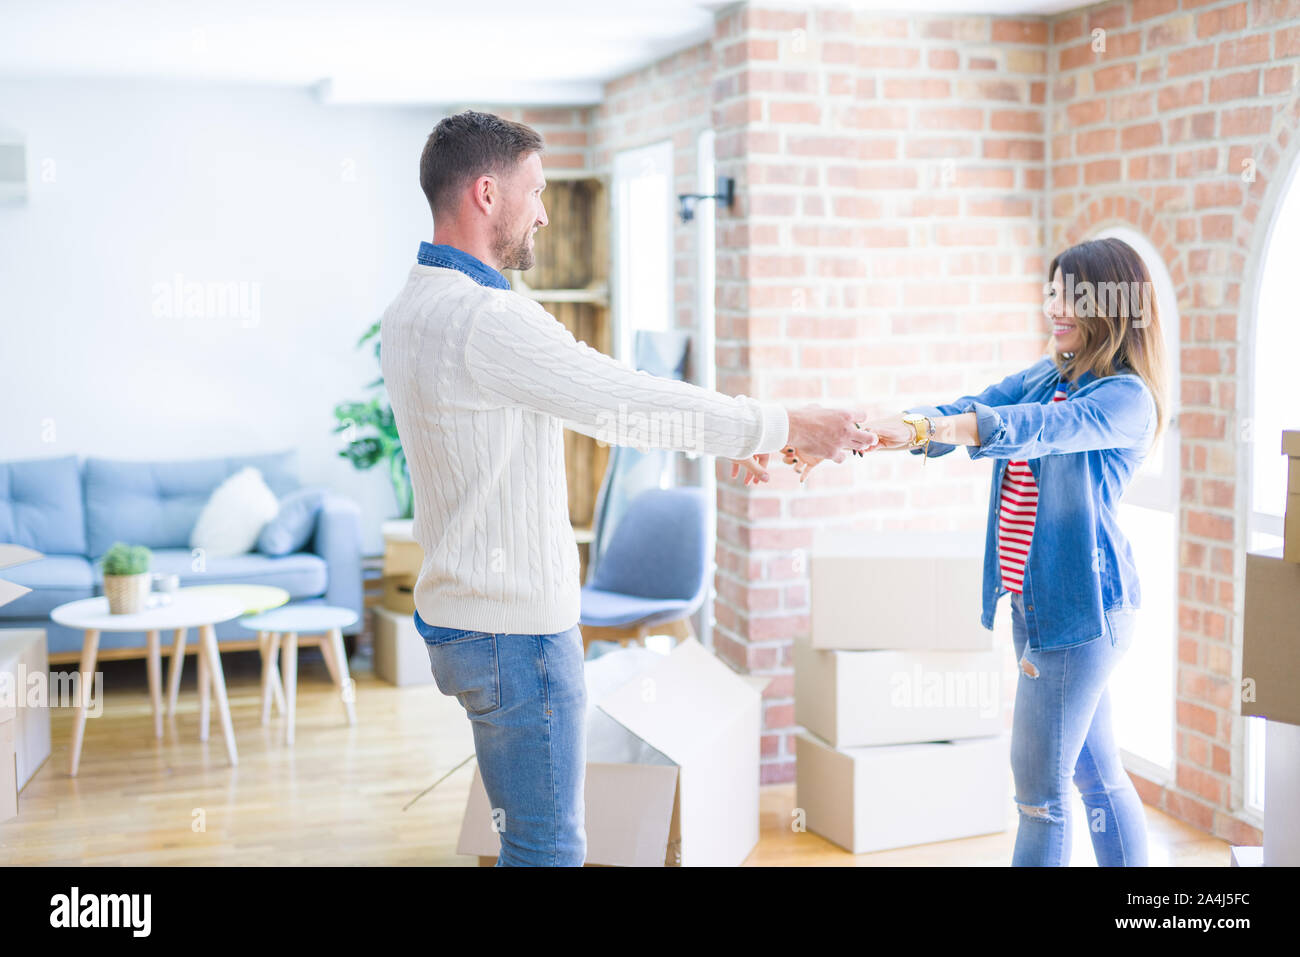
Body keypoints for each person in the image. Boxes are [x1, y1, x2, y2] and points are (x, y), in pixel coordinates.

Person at [380, 110, 875, 866]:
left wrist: (726, 441)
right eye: (535, 190)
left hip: (461, 622)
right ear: (486, 193)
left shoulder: (411, 308)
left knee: (525, 834)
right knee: (548, 846)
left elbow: (571, 410)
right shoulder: (489, 319)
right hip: (516, 635)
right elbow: (629, 400)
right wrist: (779, 425)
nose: (544, 210)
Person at [785, 237, 1169, 867]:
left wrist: (939, 429)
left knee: (1039, 796)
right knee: (1097, 780)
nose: (1054, 306)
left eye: (1071, 294)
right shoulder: (1048, 376)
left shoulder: (1126, 399)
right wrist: (869, 431)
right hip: (1040, 606)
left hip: (1082, 612)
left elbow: (1032, 431)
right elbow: (970, 408)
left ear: (1112, 306)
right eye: (1052, 291)